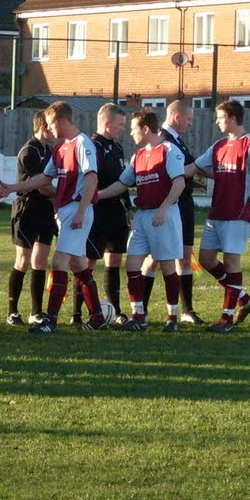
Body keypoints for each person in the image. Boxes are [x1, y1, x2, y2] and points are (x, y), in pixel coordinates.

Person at [7, 102, 105, 333]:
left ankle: (50, 320)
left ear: (62, 120)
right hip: (66, 211)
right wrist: (12, 187)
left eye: (51, 123)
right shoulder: (61, 148)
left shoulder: (82, 144)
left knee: (59, 262)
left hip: (76, 210)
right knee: (78, 263)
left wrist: (81, 211)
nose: (49, 128)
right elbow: (43, 178)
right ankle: (98, 316)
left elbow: (92, 179)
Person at [102, 109, 185, 332]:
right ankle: (139, 316)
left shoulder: (169, 150)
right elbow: (122, 184)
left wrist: (163, 208)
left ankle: (172, 318)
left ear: (145, 129)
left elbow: (179, 184)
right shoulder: (138, 156)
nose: (130, 133)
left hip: (163, 215)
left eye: (133, 129)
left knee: (168, 265)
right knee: (132, 264)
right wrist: (97, 195)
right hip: (142, 217)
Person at [188, 99, 250, 332]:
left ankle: (227, 318)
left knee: (232, 261)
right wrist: (169, 174)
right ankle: (244, 298)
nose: (216, 121)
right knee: (206, 259)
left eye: (220, 117)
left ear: (232, 118)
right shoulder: (219, 145)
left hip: (238, 213)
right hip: (217, 213)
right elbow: (195, 167)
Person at [74, 102, 129, 325]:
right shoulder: (91, 147)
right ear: (107, 124)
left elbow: (123, 180)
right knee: (87, 263)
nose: (123, 129)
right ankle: (77, 313)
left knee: (114, 261)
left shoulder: (117, 148)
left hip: (116, 211)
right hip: (95, 212)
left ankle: (115, 311)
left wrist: (129, 207)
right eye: (120, 124)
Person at [6, 110, 57, 326]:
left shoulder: (51, 150)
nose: (54, 131)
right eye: (51, 127)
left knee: (41, 260)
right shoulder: (29, 151)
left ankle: (36, 311)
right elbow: (42, 185)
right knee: (23, 260)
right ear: (43, 127)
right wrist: (64, 194)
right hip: (27, 208)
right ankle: (12, 311)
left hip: (45, 210)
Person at [163, 99, 204, 324]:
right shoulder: (164, 139)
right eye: (188, 119)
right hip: (171, 204)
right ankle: (139, 309)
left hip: (185, 203)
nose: (190, 124)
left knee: (185, 257)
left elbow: (189, 169)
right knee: (155, 258)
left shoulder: (178, 140)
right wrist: (201, 166)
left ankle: (187, 311)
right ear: (177, 117)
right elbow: (178, 171)